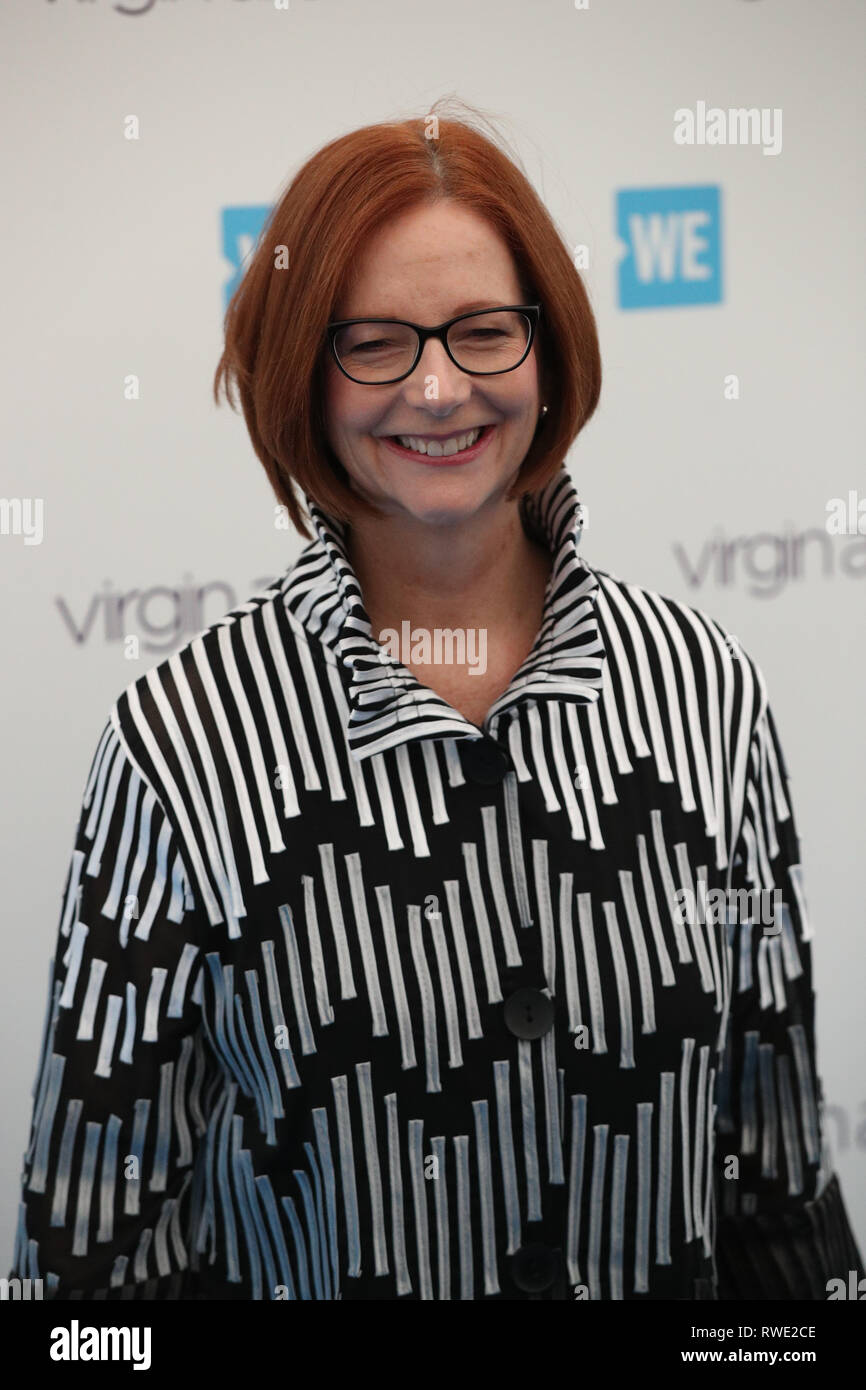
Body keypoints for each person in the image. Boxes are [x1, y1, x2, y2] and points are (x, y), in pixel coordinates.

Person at [11, 103, 862, 1300]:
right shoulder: (182, 742)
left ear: (547, 346)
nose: (437, 387)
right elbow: (93, 1249)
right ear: (301, 370)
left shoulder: (700, 689)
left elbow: (774, 1175)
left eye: (481, 331)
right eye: (373, 342)